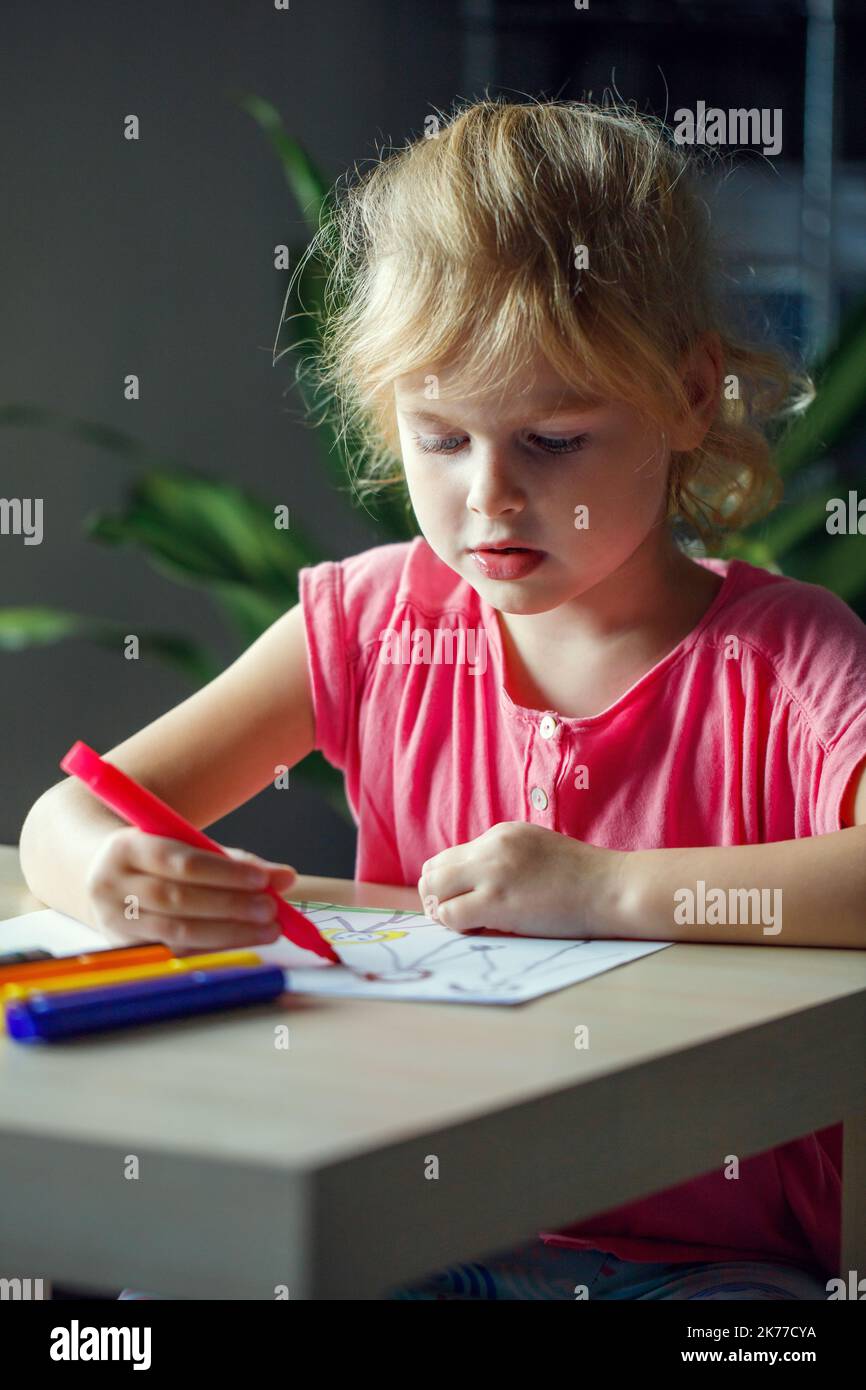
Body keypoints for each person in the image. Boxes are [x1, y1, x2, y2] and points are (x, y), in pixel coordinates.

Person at [21, 98, 865, 1301]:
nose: (489, 498)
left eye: (554, 439)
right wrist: (107, 867)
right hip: (410, 1223)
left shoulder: (783, 658)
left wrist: (604, 890)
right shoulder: (370, 622)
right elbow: (77, 810)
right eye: (439, 436)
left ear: (688, 395)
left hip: (701, 1266)